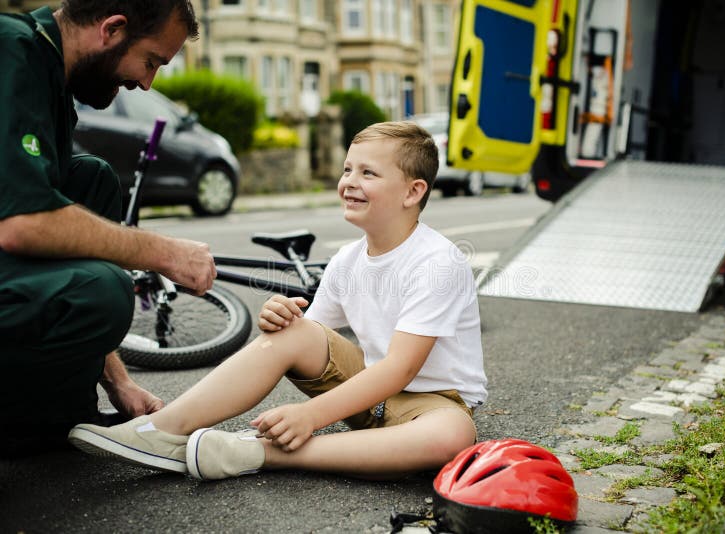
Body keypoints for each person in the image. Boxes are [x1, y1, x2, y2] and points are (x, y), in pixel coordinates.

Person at [68, 121, 488, 480]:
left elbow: (400, 369)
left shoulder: (437, 262)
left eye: (368, 173)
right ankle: (160, 430)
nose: (349, 182)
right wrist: (281, 319)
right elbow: (309, 335)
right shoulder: (349, 258)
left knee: (452, 436)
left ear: (413, 192)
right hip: (370, 394)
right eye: (347, 169)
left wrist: (311, 417)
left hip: (431, 407)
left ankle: (258, 452)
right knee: (293, 330)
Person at [0, 0, 216, 457]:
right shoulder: (11, 52)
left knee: (90, 177)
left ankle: (57, 418)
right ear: (112, 29)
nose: (146, 82)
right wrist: (164, 251)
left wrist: (119, 381)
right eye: (152, 61)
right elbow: (20, 223)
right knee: (102, 289)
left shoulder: (49, 71)